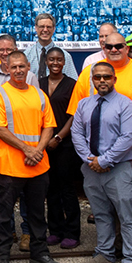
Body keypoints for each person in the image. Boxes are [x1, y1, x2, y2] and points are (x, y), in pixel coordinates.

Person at [0, 52, 63, 263]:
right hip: (9, 167)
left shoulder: (39, 95)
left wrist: (37, 150)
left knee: (37, 213)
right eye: (14, 67)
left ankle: (39, 254)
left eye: (22, 67)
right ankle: (2, 257)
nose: (18, 70)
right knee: (3, 214)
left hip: (37, 166)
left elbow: (49, 126)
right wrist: (28, 149)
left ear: (28, 67)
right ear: (7, 68)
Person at [72, 59, 132, 263]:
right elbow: (77, 133)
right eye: (97, 77)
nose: (102, 80)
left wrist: (105, 160)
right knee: (101, 214)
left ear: (114, 79)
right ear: (92, 80)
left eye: (106, 77)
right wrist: (90, 159)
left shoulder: (126, 104)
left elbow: (128, 137)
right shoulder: (84, 104)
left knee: (127, 216)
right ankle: (105, 254)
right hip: (92, 168)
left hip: (119, 168)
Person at [39, 48, 81, 250]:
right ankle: (55, 230)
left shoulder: (72, 85)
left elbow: (74, 115)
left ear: (64, 62)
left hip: (65, 144)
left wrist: (58, 136)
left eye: (59, 59)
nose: (55, 63)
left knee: (67, 189)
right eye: (51, 59)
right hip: (44, 144)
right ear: (46, 61)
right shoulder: (39, 84)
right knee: (50, 189)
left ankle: (72, 232)